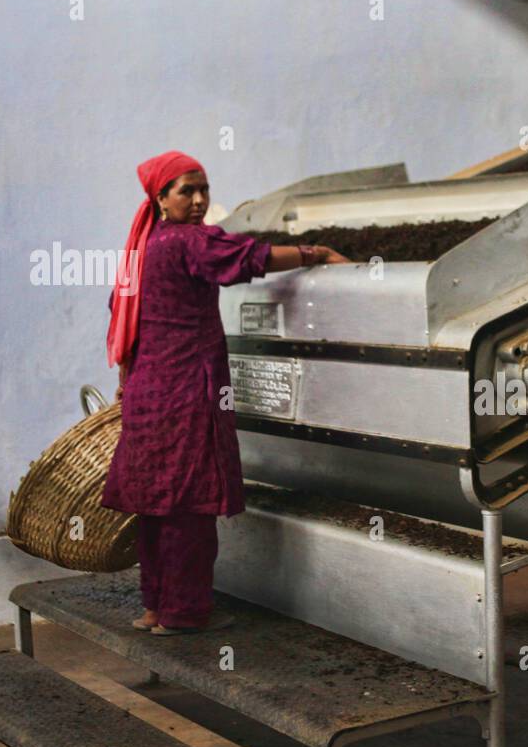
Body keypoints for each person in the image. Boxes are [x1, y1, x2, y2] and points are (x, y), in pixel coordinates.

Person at [100, 151, 349, 634]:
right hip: (186, 391)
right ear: (160, 198)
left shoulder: (142, 246)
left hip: (147, 394)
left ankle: (154, 606)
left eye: (203, 190)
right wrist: (313, 253)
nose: (197, 200)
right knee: (189, 508)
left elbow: (121, 320)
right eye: (185, 191)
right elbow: (246, 257)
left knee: (156, 506)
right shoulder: (186, 242)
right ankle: (184, 613)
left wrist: (125, 383)